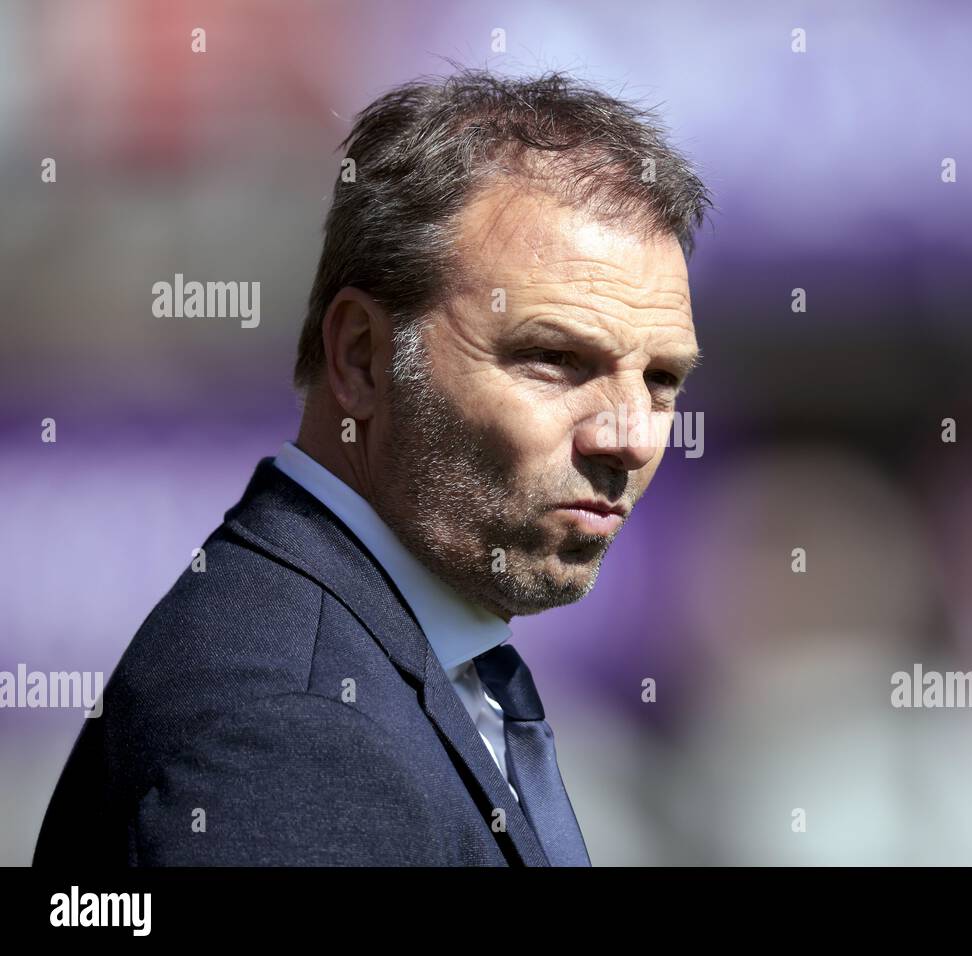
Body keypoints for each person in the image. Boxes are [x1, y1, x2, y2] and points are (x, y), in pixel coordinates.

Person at [32, 69, 709, 866]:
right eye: (555, 358)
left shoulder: (375, 664)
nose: (628, 436)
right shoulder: (295, 733)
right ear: (361, 357)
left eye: (662, 379)